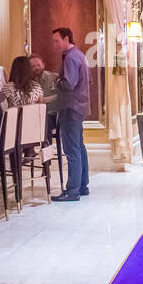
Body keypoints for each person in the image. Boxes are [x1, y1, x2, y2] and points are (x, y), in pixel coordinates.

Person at [52, 27, 91, 201]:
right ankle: (82, 185)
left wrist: (56, 81)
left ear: (66, 38)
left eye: (56, 41)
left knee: (72, 149)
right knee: (79, 147)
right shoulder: (80, 55)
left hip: (70, 107)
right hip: (79, 106)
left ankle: (73, 189)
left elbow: (69, 83)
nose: (54, 45)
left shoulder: (70, 58)